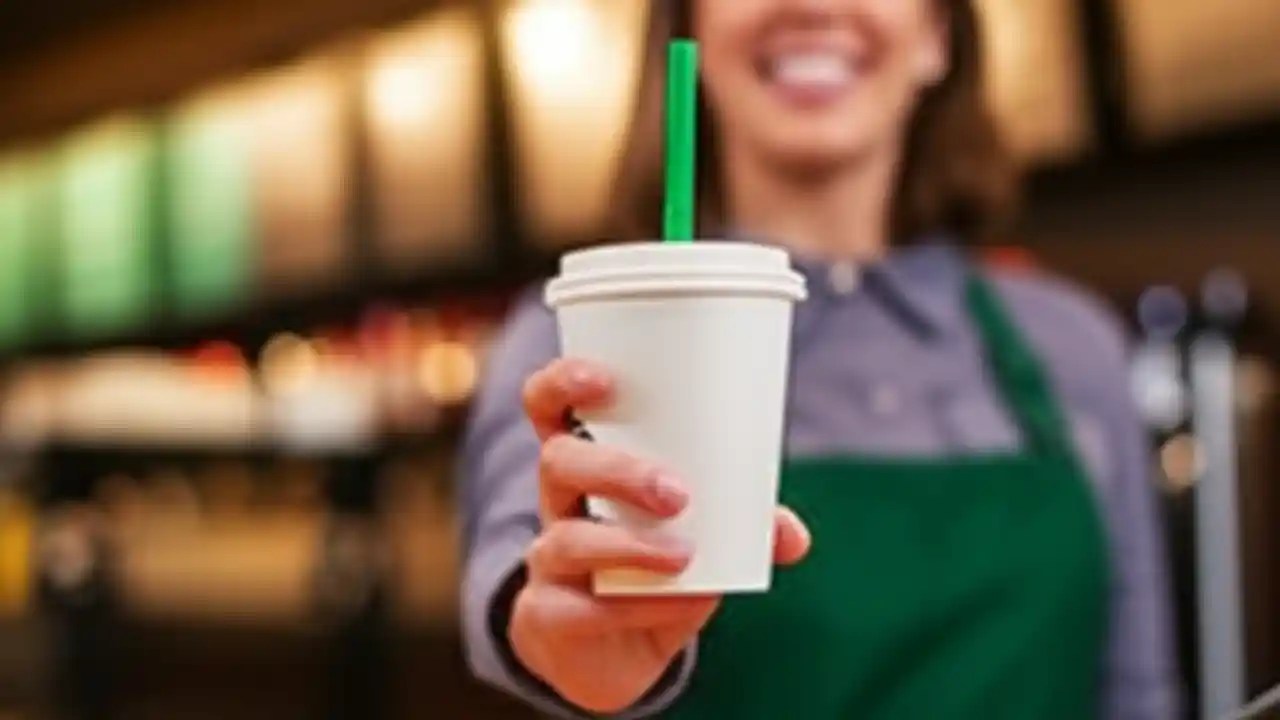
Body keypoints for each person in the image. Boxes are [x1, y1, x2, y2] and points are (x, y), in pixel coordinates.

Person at [460, 0, 1181, 717]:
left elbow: (1137, 694)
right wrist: (557, 631)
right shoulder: (587, 331)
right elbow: (513, 566)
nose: (812, 4)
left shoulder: (1071, 344)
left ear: (936, 36)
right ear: (691, 33)